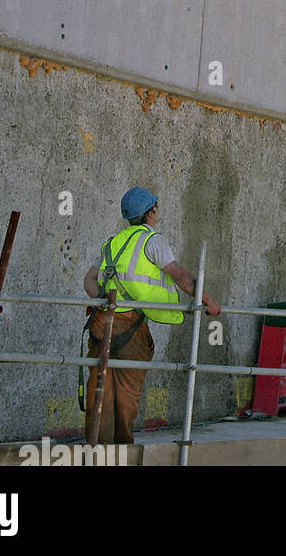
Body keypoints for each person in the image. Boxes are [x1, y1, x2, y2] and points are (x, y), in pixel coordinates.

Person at [83, 188, 221, 444]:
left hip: (101, 324)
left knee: (99, 391)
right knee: (126, 394)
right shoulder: (152, 241)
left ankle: (96, 452)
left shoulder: (112, 242)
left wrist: (103, 297)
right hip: (130, 330)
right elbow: (180, 276)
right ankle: (121, 453)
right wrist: (209, 300)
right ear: (151, 213)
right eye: (156, 207)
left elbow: (89, 280)